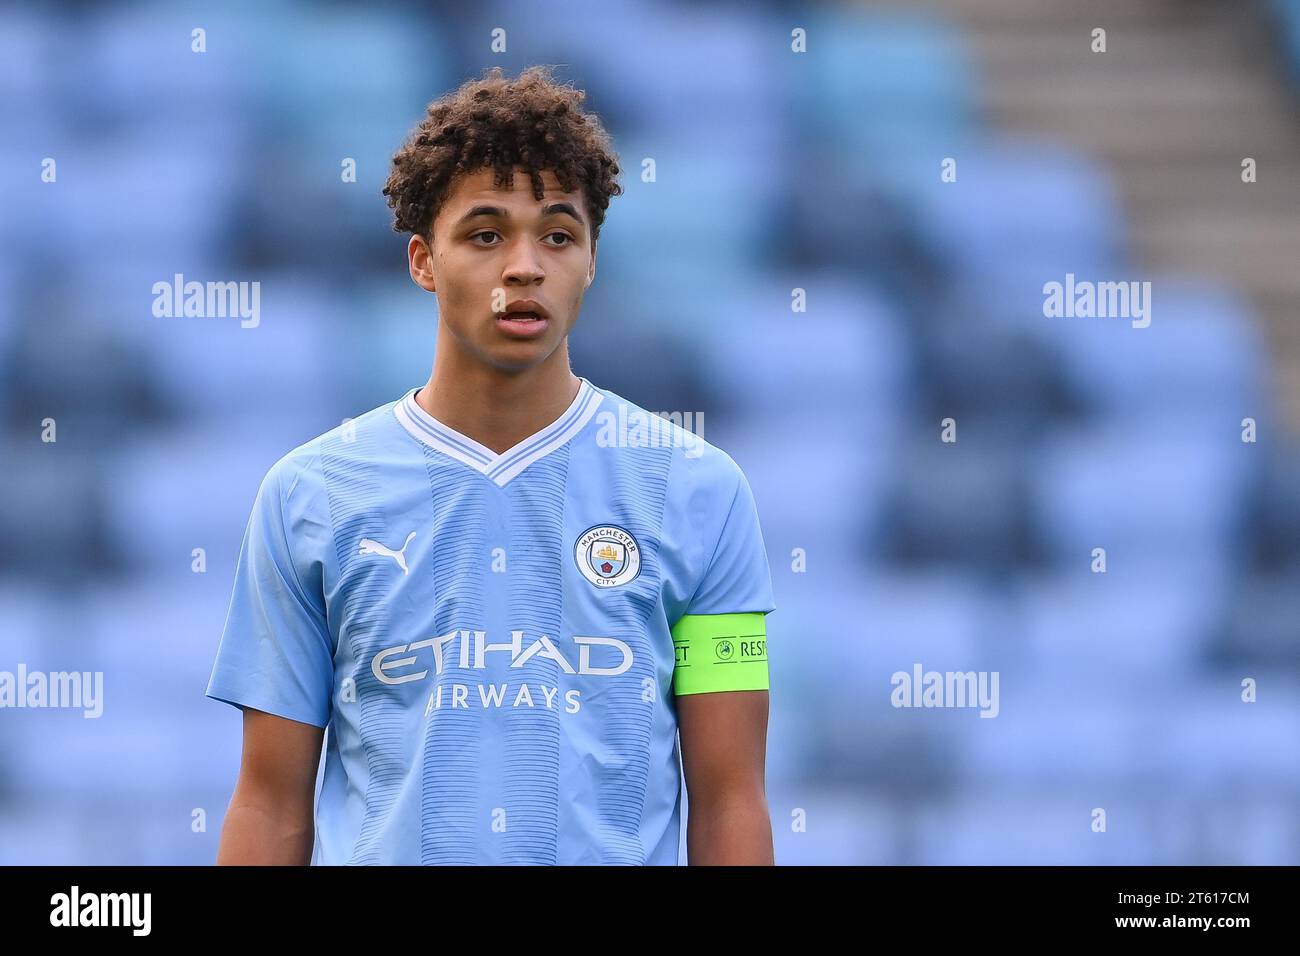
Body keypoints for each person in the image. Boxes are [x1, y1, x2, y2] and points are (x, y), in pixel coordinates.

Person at [206, 65, 776, 865]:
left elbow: (731, 802)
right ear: (422, 261)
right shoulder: (311, 494)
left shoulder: (702, 492)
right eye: (485, 234)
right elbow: (268, 806)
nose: (524, 267)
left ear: (590, 261)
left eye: (557, 235)